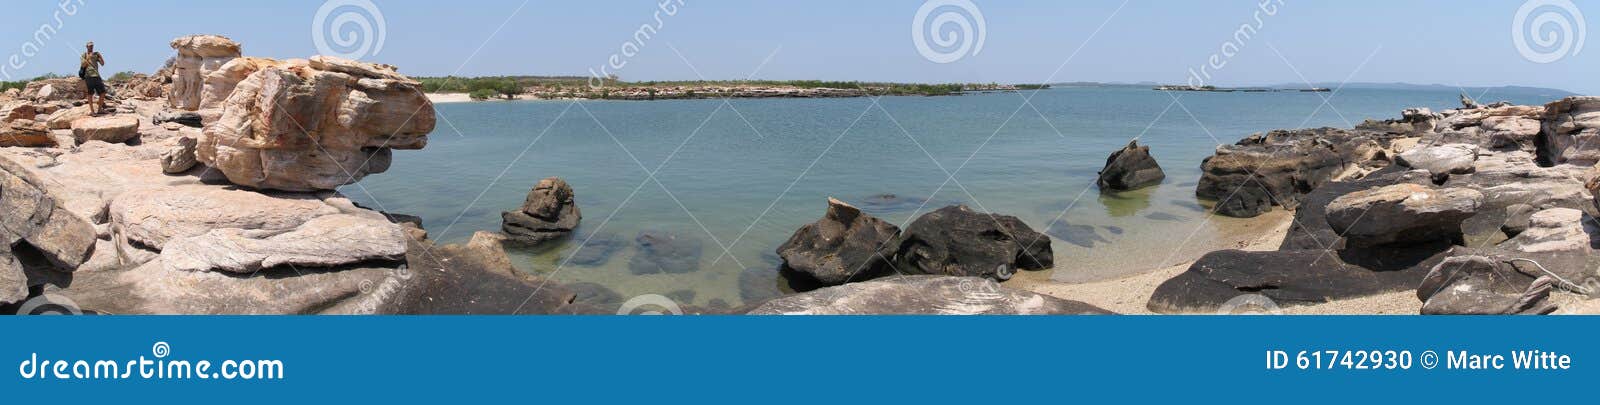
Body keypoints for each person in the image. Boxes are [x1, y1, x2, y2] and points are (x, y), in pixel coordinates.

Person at [80, 41, 106, 115]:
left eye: (92, 46)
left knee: (102, 92)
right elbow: (83, 65)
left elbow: (102, 64)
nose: (91, 47)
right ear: (87, 47)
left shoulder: (96, 54)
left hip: (96, 75)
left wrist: (100, 56)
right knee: (90, 93)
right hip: (88, 76)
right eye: (89, 46)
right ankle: (92, 111)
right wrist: (88, 57)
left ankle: (100, 109)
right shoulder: (84, 55)